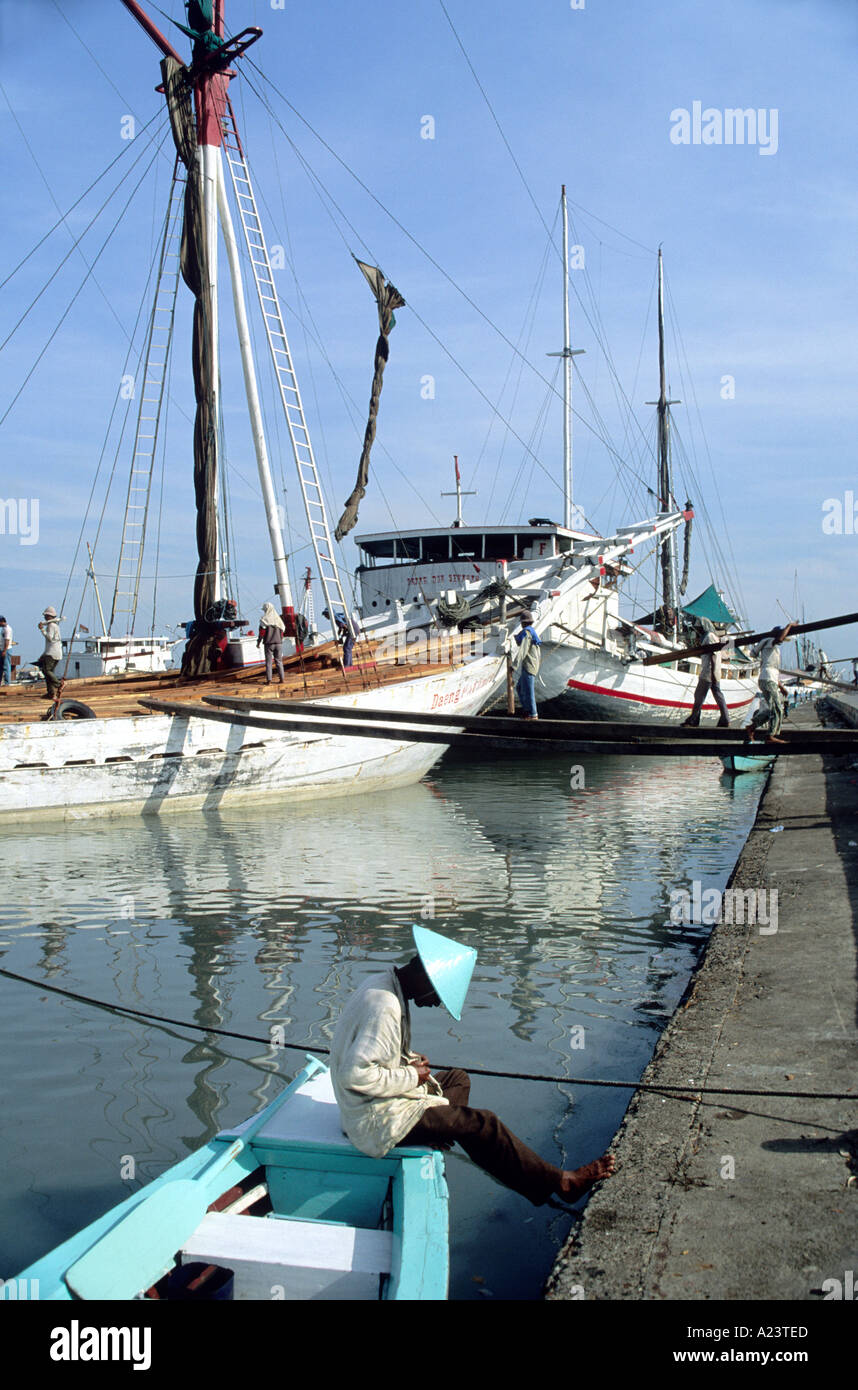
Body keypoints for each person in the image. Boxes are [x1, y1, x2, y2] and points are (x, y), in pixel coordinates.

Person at [329, 924, 616, 1207]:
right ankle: (562, 1183)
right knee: (481, 1123)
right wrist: (410, 1075)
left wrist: (410, 1061)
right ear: (427, 980)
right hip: (372, 1120)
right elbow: (355, 1075)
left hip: (379, 1102)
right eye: (439, 997)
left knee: (458, 1079)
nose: (435, 1005)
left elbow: (375, 1055)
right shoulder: (386, 1006)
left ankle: (440, 1130)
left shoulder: (383, 983)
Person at [748, 623, 794, 743]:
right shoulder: (770, 641)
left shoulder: (769, 647)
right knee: (778, 709)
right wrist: (789, 626)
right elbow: (779, 638)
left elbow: (772, 670)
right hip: (767, 679)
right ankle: (771, 736)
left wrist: (781, 686)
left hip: (769, 679)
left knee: (773, 708)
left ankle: (752, 726)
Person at [681, 618, 729, 727]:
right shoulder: (713, 636)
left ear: (703, 627)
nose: (697, 630)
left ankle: (693, 720)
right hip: (714, 672)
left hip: (709, 672)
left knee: (699, 696)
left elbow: (712, 654)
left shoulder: (709, 636)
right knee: (718, 695)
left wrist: (711, 674)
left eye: (698, 628)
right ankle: (725, 719)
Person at [514, 611, 541, 720]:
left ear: (523, 623)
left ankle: (533, 714)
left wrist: (514, 665)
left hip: (529, 666)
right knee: (520, 687)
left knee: (529, 691)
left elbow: (523, 651)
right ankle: (527, 711)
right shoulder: (530, 631)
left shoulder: (527, 633)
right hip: (531, 665)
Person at [37, 605, 62, 700]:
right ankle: (51, 693)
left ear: (48, 616)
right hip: (55, 653)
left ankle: (58, 684)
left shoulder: (51, 626)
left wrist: (42, 629)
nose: (44, 617)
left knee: (46, 671)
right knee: (49, 674)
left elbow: (50, 638)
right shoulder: (56, 626)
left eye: (45, 616)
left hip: (52, 653)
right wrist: (43, 655)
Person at [257, 602, 286, 684]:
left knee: (269, 663)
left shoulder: (264, 620)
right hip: (279, 644)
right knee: (279, 661)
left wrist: (258, 643)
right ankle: (282, 679)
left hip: (269, 644)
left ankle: (269, 680)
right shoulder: (278, 620)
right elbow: (282, 632)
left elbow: (261, 633)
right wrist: (280, 640)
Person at [0, 616, 12, 685]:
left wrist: (4, 651)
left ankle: (7, 683)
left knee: (6, 666)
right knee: (2, 666)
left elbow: (7, 641)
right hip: (2, 649)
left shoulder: (7, 629)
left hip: (6, 650)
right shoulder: (3, 629)